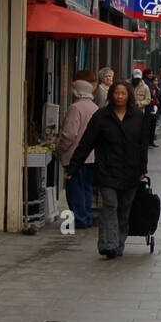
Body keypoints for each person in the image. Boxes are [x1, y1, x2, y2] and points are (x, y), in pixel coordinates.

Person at [65, 80, 149, 259]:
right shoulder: (102, 116)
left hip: (131, 171)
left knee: (124, 209)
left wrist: (143, 168)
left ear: (129, 96)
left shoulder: (138, 117)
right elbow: (86, 143)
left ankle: (119, 242)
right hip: (107, 170)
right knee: (110, 205)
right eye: (116, 93)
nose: (119, 96)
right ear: (111, 95)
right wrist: (73, 167)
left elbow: (143, 145)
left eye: (123, 93)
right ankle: (107, 244)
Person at [57, 79, 98, 228]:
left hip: (75, 156)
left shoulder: (75, 108)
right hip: (91, 156)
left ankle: (80, 218)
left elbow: (69, 134)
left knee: (75, 188)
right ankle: (86, 216)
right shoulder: (95, 107)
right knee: (86, 187)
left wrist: (60, 148)